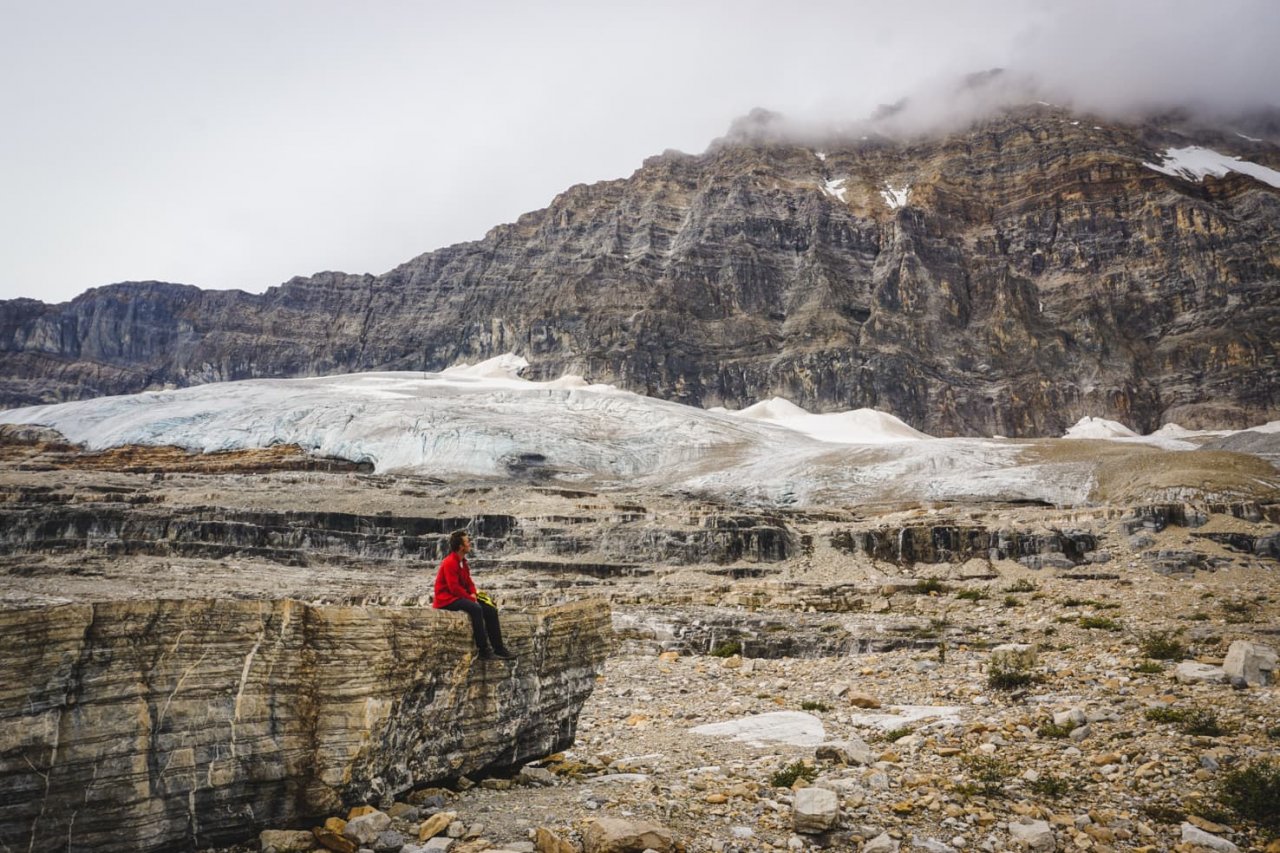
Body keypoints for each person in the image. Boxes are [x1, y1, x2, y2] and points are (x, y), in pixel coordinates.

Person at [432, 529, 514, 661]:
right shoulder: (449, 562)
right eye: (467, 542)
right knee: (476, 609)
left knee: (490, 609)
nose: (470, 544)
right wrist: (471, 598)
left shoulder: (463, 562)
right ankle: (483, 650)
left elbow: (469, 582)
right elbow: (454, 588)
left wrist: (473, 593)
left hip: (458, 596)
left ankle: (499, 648)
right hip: (446, 599)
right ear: (460, 546)